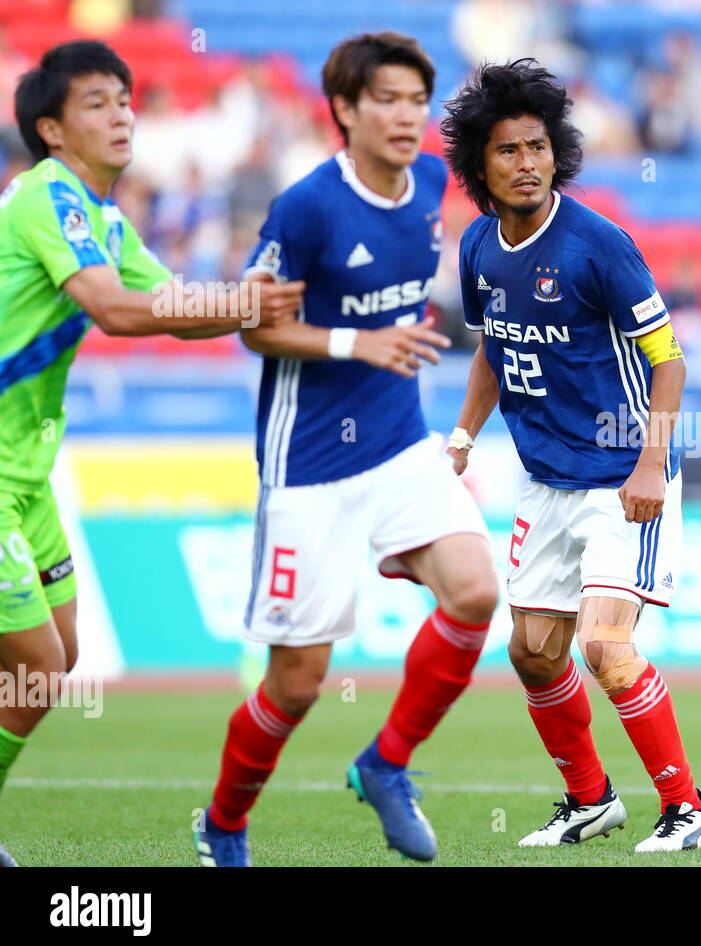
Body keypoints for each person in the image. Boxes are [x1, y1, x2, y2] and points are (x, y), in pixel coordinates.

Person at [193, 32, 497, 868]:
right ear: (344, 111)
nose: (406, 116)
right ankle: (222, 824)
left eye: (416, 100)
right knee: (296, 682)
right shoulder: (307, 207)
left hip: (400, 444)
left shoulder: (434, 181)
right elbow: (253, 326)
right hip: (310, 466)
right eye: (387, 100)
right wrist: (354, 345)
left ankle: (386, 763)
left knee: (475, 593)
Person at [0, 39, 302, 868]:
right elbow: (116, 311)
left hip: (26, 472)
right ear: (53, 130)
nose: (122, 112)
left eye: (125, 98)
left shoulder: (102, 216)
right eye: (97, 102)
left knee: (54, 664)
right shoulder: (45, 198)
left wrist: (252, 302)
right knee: (32, 664)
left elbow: (168, 302)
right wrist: (249, 302)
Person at [442, 59, 701, 852]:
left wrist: (650, 465)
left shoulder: (601, 245)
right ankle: (589, 799)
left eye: (538, 147)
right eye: (508, 151)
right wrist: (461, 438)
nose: (527, 163)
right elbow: (494, 347)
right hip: (546, 479)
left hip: (625, 476)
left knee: (604, 645)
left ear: (557, 152)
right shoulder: (478, 251)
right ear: (479, 165)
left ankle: (686, 808)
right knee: (531, 652)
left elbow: (670, 359)